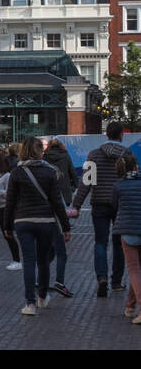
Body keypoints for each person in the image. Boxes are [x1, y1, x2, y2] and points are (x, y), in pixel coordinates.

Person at [3, 137, 71, 316]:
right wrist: (65, 226)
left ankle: (30, 304)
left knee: (29, 262)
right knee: (43, 262)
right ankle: (42, 297)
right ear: (41, 151)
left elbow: (10, 201)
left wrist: (7, 225)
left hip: (23, 221)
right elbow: (57, 202)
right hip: (45, 222)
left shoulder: (17, 172)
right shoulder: (49, 172)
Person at [68, 121, 130, 298]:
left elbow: (85, 183)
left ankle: (101, 278)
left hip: (99, 203)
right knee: (120, 244)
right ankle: (116, 282)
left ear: (106, 135)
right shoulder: (127, 155)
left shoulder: (94, 155)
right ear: (121, 135)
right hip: (120, 204)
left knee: (100, 243)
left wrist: (77, 205)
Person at [110, 151, 141, 324]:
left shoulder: (118, 186)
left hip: (128, 231)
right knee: (138, 271)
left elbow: (113, 206)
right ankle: (130, 306)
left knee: (134, 271)